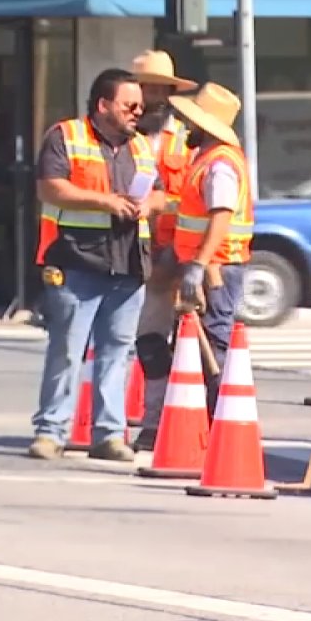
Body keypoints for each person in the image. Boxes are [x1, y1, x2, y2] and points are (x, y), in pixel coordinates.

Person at [28, 68, 166, 462]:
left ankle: (108, 434)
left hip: (128, 265)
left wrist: (146, 205)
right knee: (67, 350)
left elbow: (160, 196)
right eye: (129, 105)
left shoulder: (139, 146)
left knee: (119, 353)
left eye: (139, 105)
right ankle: (51, 431)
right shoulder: (66, 136)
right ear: (103, 105)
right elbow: (50, 188)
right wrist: (106, 201)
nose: (137, 111)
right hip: (77, 260)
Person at [167, 82, 255, 418]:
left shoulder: (219, 164)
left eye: (192, 123)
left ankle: (220, 418)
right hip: (211, 267)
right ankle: (210, 418)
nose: (187, 128)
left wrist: (198, 265)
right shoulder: (210, 159)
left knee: (215, 346)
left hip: (215, 269)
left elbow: (221, 216)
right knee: (203, 344)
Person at [128, 50, 200, 452]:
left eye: (160, 89)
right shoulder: (120, 138)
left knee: (164, 340)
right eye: (146, 88)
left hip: (170, 252)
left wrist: (163, 207)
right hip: (124, 251)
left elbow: (192, 197)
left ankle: (166, 423)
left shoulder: (186, 139)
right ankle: (143, 422)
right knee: (140, 341)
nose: (152, 97)